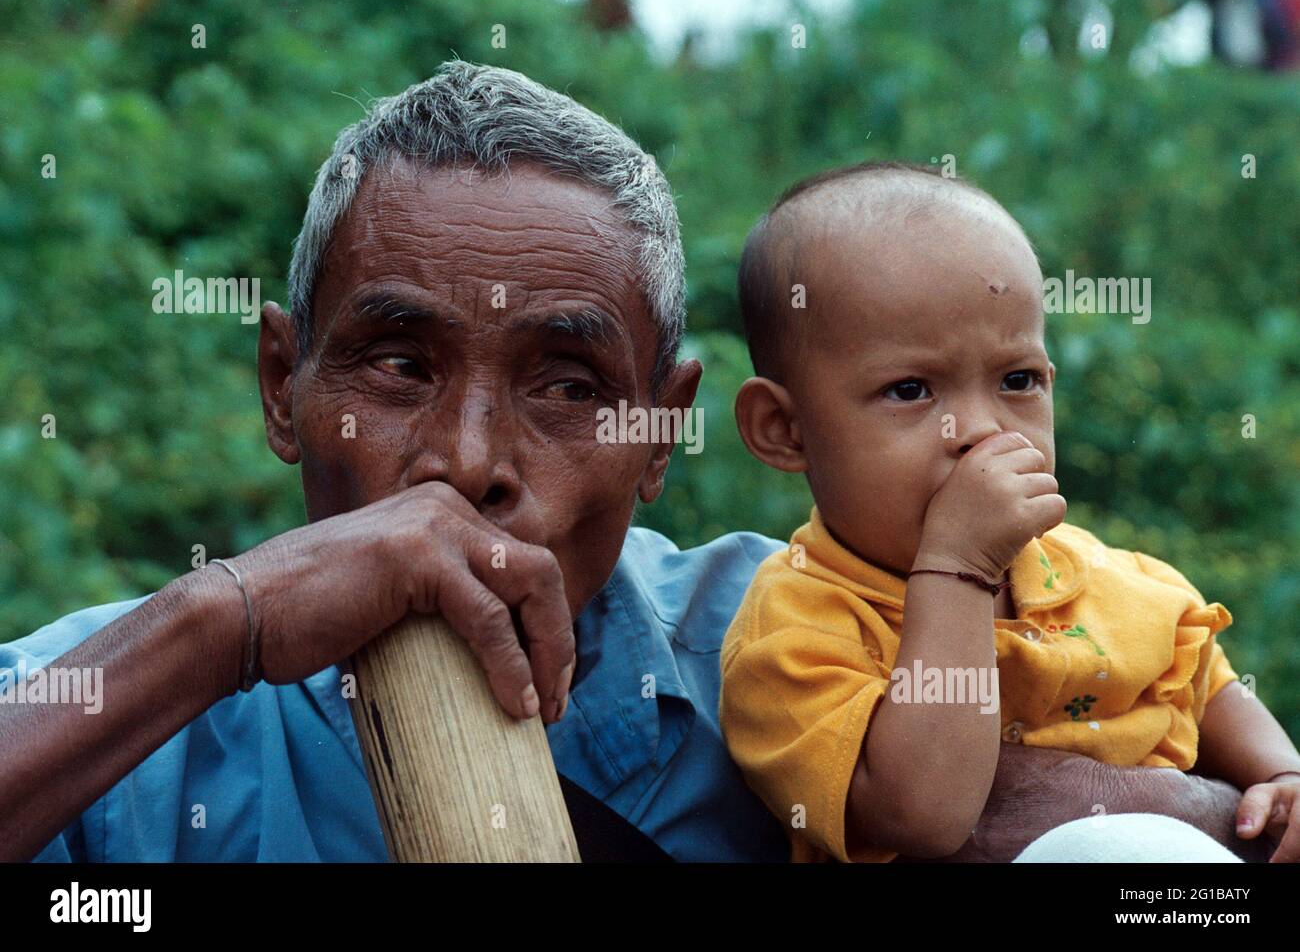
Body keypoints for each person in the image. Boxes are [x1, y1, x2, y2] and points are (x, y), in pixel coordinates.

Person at [0, 68, 1271, 863]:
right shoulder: (116, 705)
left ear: (660, 432)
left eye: (566, 387)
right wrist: (223, 620)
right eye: (396, 366)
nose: (466, 460)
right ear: (285, 385)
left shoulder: (808, 632)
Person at [719, 161, 1300, 863]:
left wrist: (1279, 774)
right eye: (910, 390)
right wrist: (957, 570)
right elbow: (923, 816)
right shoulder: (796, 630)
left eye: (1018, 380)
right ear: (784, 429)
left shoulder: (1101, 574)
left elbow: (1201, 676)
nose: (980, 430)